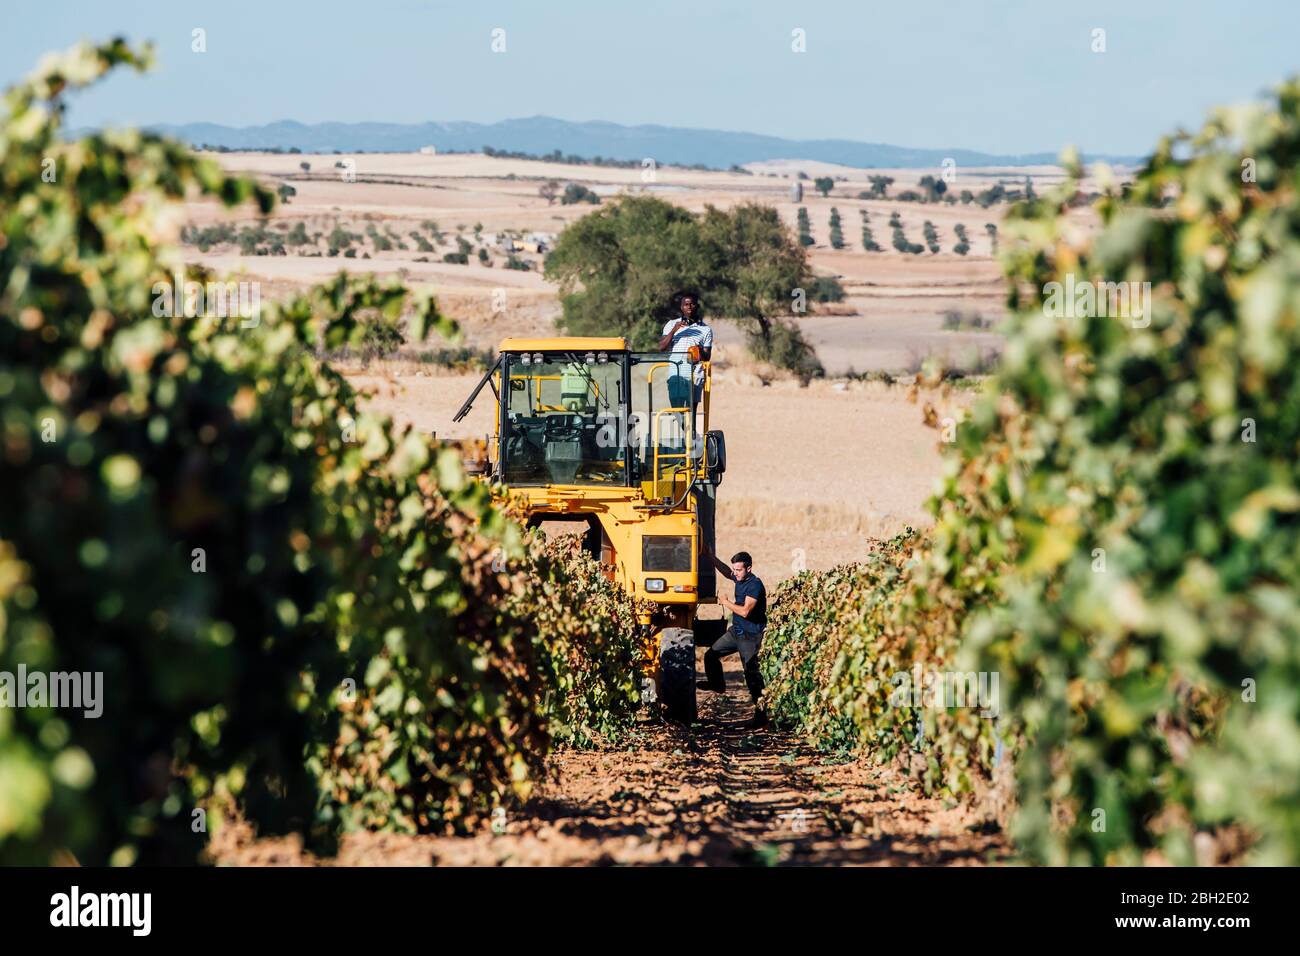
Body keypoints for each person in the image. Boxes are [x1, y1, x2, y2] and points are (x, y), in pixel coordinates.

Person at [699, 543, 769, 728]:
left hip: (751, 635)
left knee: (751, 675)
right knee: (711, 655)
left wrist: (726, 602)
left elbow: (745, 611)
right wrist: (710, 556)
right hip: (736, 632)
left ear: (749, 568)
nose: (735, 573)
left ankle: (761, 717)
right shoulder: (739, 578)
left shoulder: (755, 585)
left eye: (738, 570)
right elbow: (724, 571)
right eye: (734, 569)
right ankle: (717, 685)